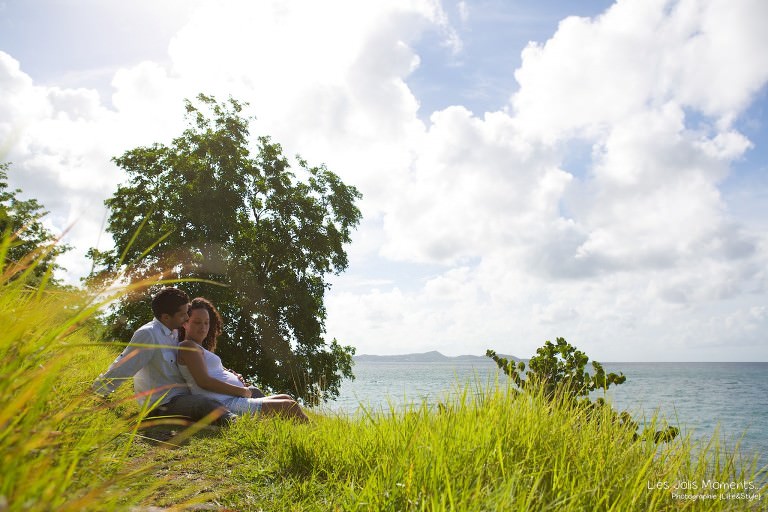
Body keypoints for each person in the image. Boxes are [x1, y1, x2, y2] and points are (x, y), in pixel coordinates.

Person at [92, 287, 236, 426]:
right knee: (204, 404)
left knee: (220, 397)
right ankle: (235, 423)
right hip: (163, 404)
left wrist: (229, 374)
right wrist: (96, 393)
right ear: (166, 317)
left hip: (185, 396)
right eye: (183, 314)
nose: (187, 317)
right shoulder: (148, 335)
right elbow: (123, 367)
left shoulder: (175, 332)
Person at [177, 297, 309, 422]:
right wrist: (243, 391)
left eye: (206, 322)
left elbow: (215, 373)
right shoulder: (188, 346)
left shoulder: (201, 349)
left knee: (286, 398)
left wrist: (232, 375)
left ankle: (303, 433)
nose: (203, 327)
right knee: (289, 406)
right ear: (185, 323)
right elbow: (204, 381)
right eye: (197, 322)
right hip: (225, 403)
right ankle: (314, 435)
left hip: (233, 399)